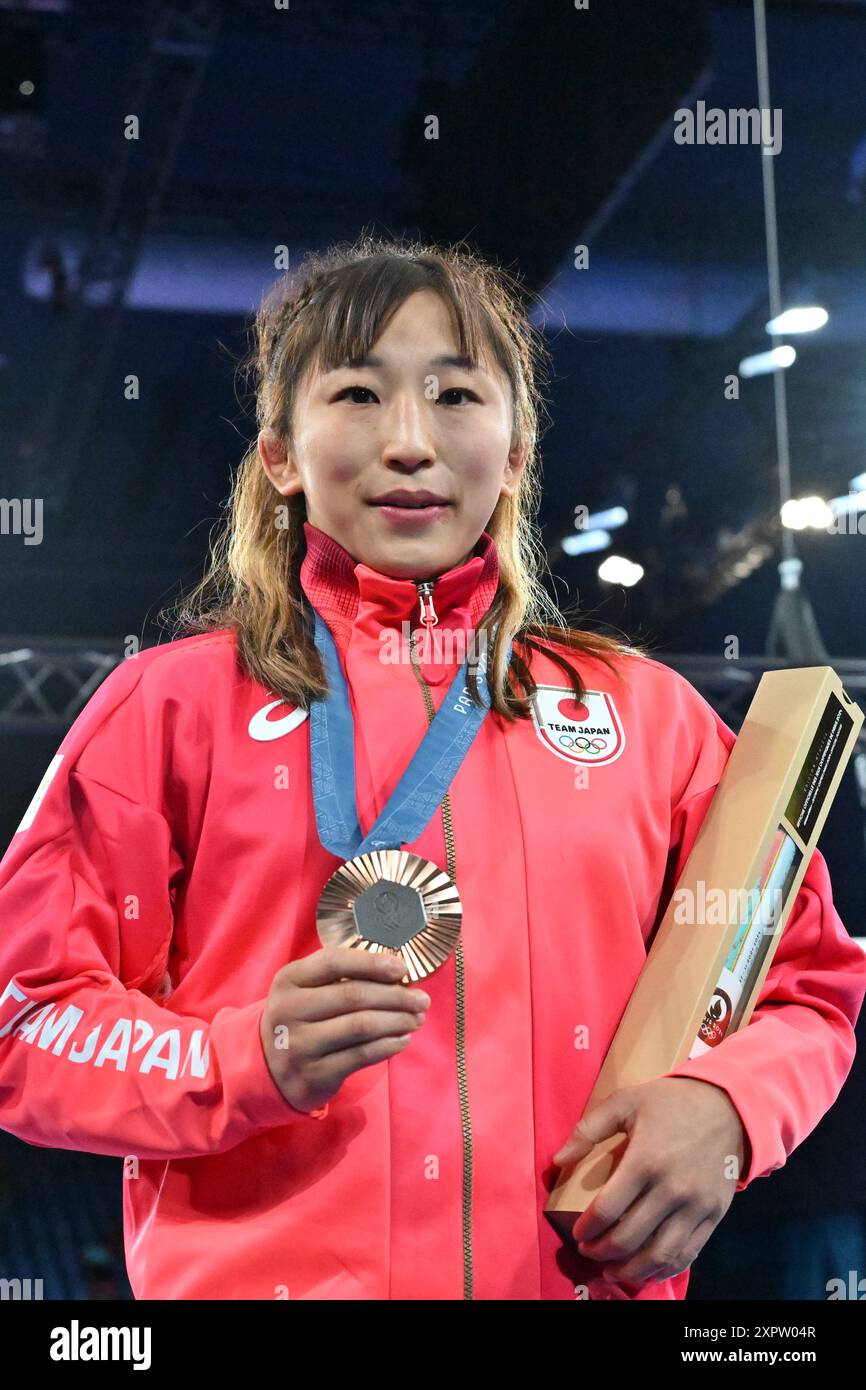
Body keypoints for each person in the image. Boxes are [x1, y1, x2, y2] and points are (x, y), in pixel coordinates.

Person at [0, 234, 863, 1302]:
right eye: (357, 394)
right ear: (280, 451)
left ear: (512, 453)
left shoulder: (651, 721)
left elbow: (805, 985)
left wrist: (730, 1108)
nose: (409, 441)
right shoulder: (167, 708)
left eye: (455, 396)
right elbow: (26, 1018)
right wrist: (234, 1059)